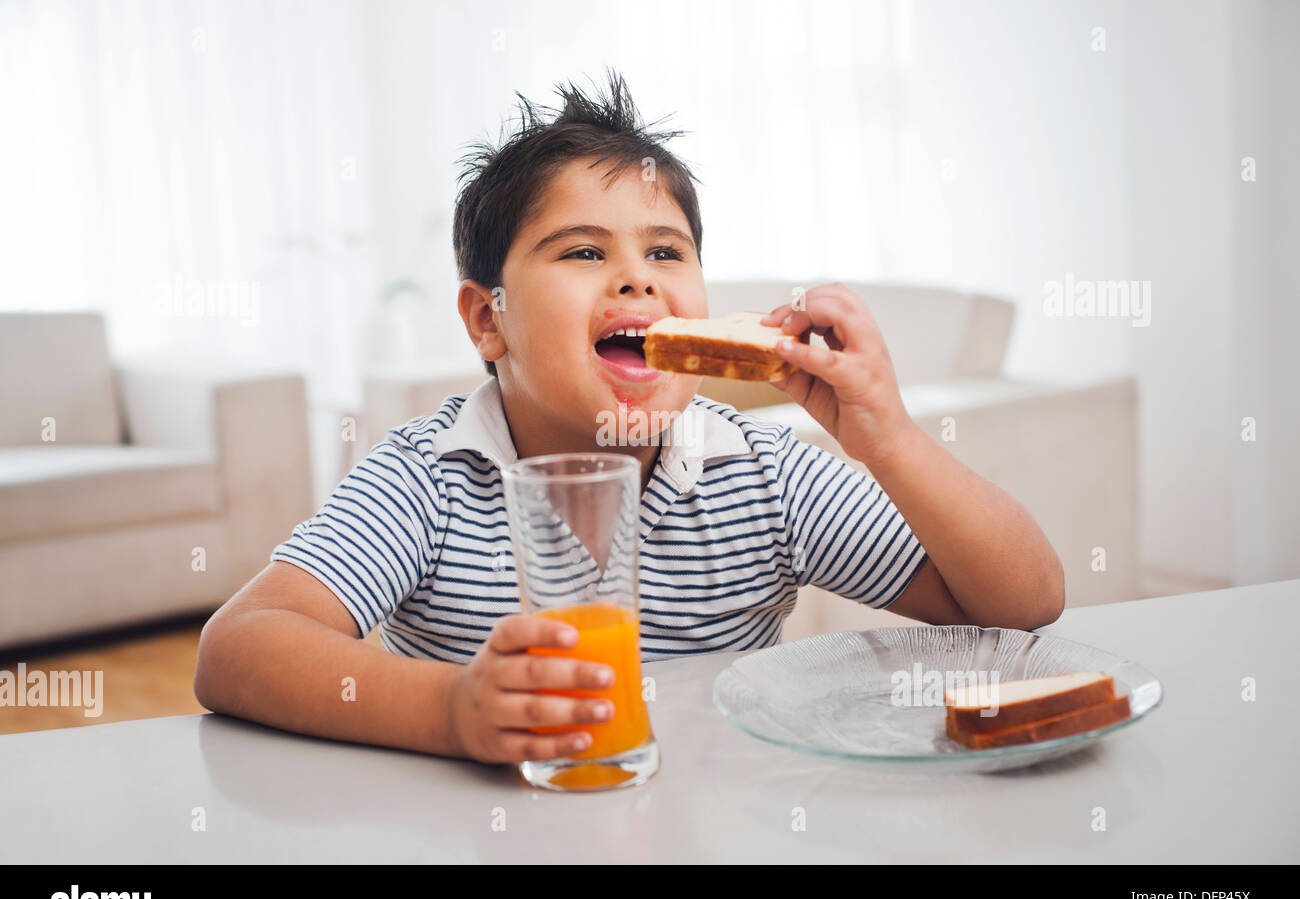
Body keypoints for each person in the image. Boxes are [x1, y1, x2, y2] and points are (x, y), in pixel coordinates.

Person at [194, 70, 1063, 766]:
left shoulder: (759, 468)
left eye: (663, 251)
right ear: (488, 317)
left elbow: (1022, 604)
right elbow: (238, 647)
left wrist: (892, 440)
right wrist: (454, 712)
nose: (637, 279)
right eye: (582, 251)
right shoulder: (429, 477)